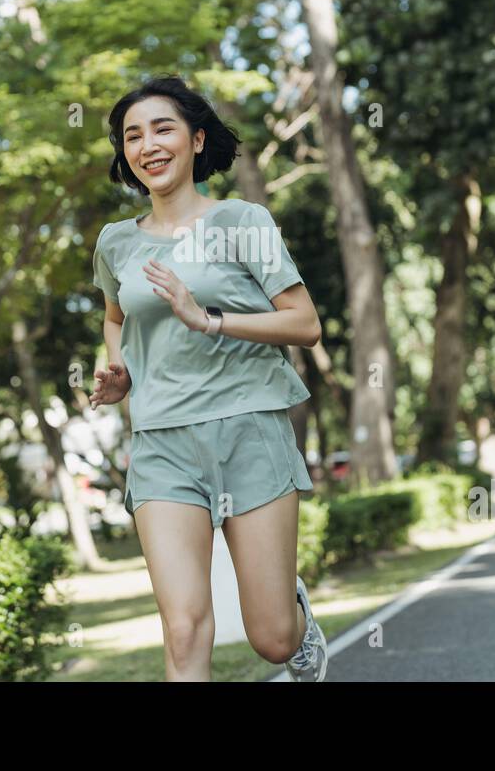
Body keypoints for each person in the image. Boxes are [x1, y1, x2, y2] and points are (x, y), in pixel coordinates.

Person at [88, 74, 327, 682]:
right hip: (162, 443)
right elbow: (116, 320)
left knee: (270, 639)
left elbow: (304, 324)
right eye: (132, 136)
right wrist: (114, 368)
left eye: (162, 128)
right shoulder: (117, 243)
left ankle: (295, 620)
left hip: (249, 432)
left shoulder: (243, 221)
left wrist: (209, 318)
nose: (147, 145)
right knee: (186, 628)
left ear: (197, 140)